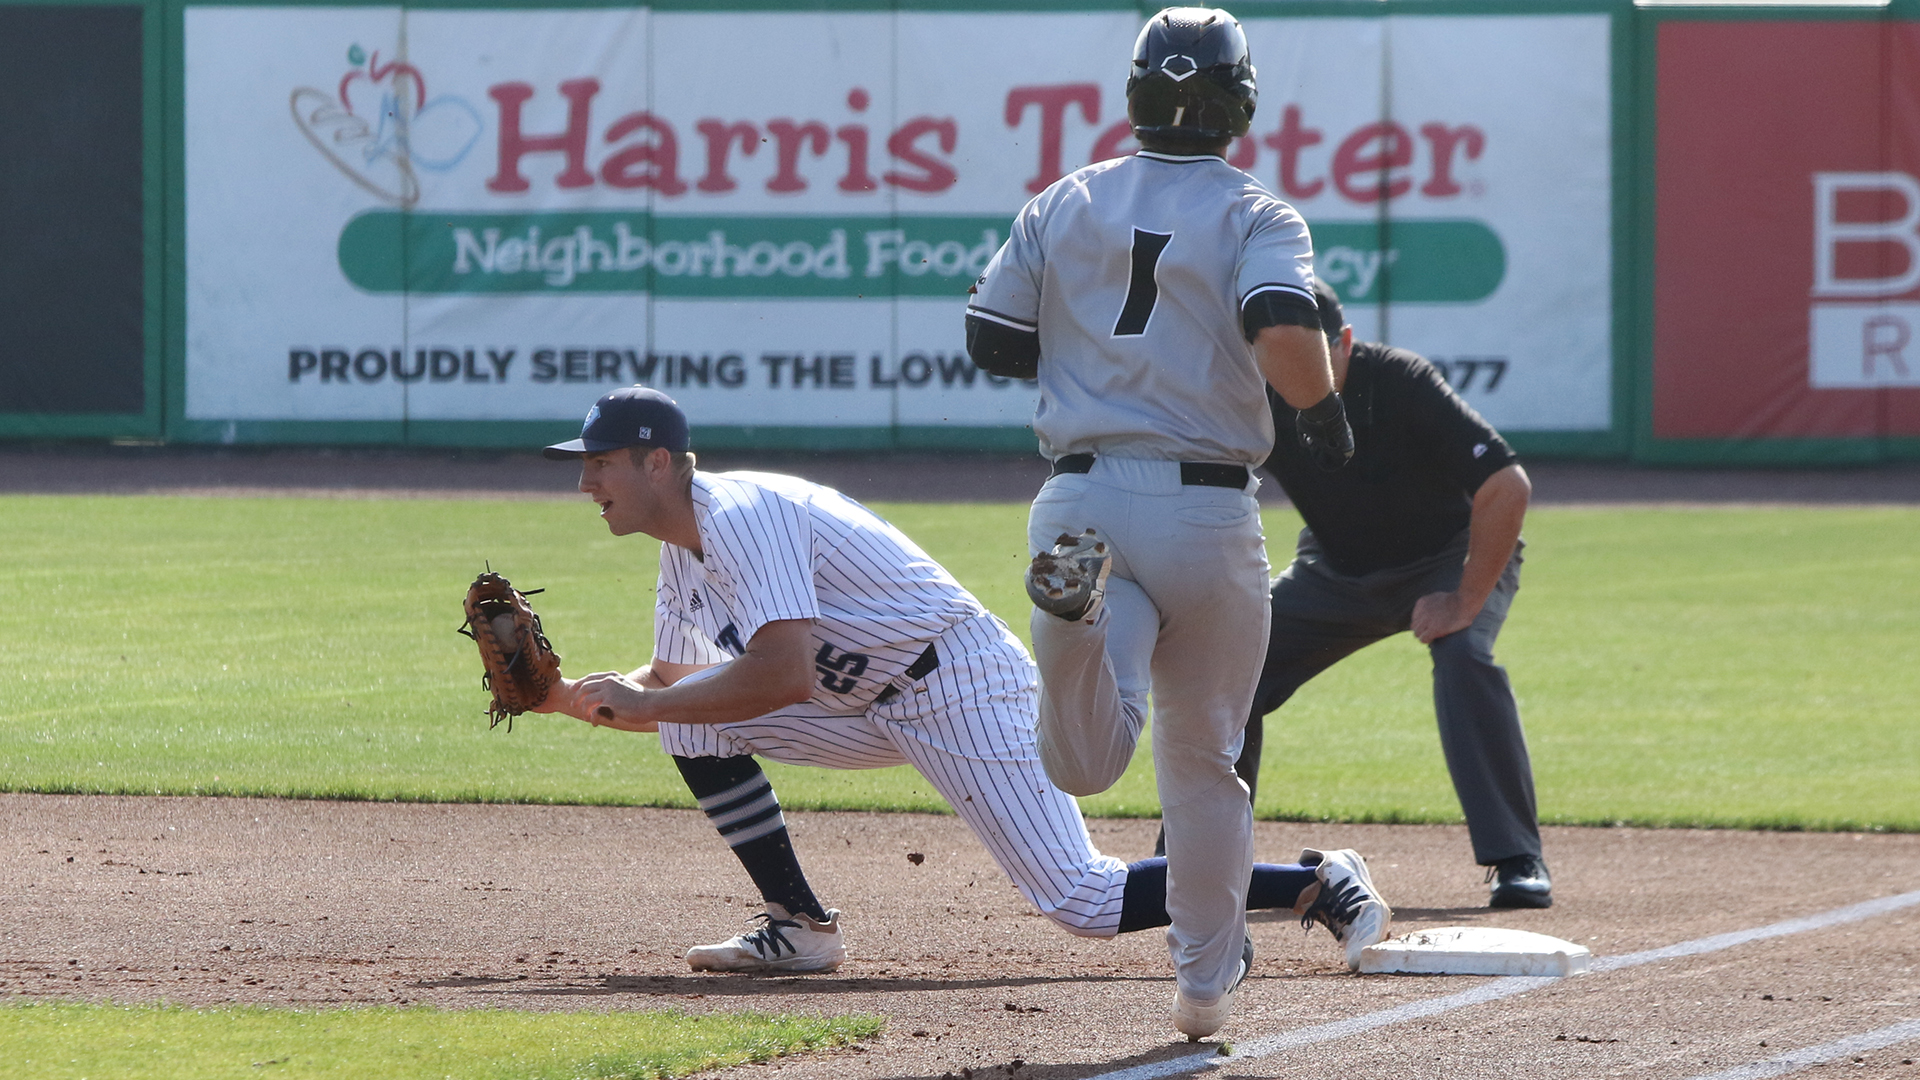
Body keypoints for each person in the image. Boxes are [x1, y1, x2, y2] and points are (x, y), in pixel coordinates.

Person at [531, 386, 1390, 1010]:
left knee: (1083, 900)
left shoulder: (742, 514)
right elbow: (674, 683)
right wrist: (566, 697)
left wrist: (646, 708)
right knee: (692, 727)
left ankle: (1315, 882)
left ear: (656, 461)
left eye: (599, 464)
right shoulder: (682, 552)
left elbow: (780, 671)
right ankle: (799, 928)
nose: (585, 484)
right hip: (862, 699)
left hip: (956, 684)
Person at [964, 6, 1364, 1041]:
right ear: (1240, 104)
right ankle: (1200, 992)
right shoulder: (1258, 214)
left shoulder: (1065, 198)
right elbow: (1280, 327)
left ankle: (1073, 625)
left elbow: (993, 338)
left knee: (1080, 767)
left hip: (1081, 492)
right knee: (1203, 761)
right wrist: (1320, 409)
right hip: (1204, 509)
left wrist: (1092, 342)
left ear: (1137, 94)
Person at [1235, 279, 1550, 908]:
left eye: (1314, 352)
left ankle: (1517, 858)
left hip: (1445, 560)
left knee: (1463, 656)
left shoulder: (1400, 381)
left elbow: (1506, 486)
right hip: (1335, 572)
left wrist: (1462, 598)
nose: (1293, 370)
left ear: (1344, 343)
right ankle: (1193, 863)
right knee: (1228, 667)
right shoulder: (1251, 397)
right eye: (1275, 355)